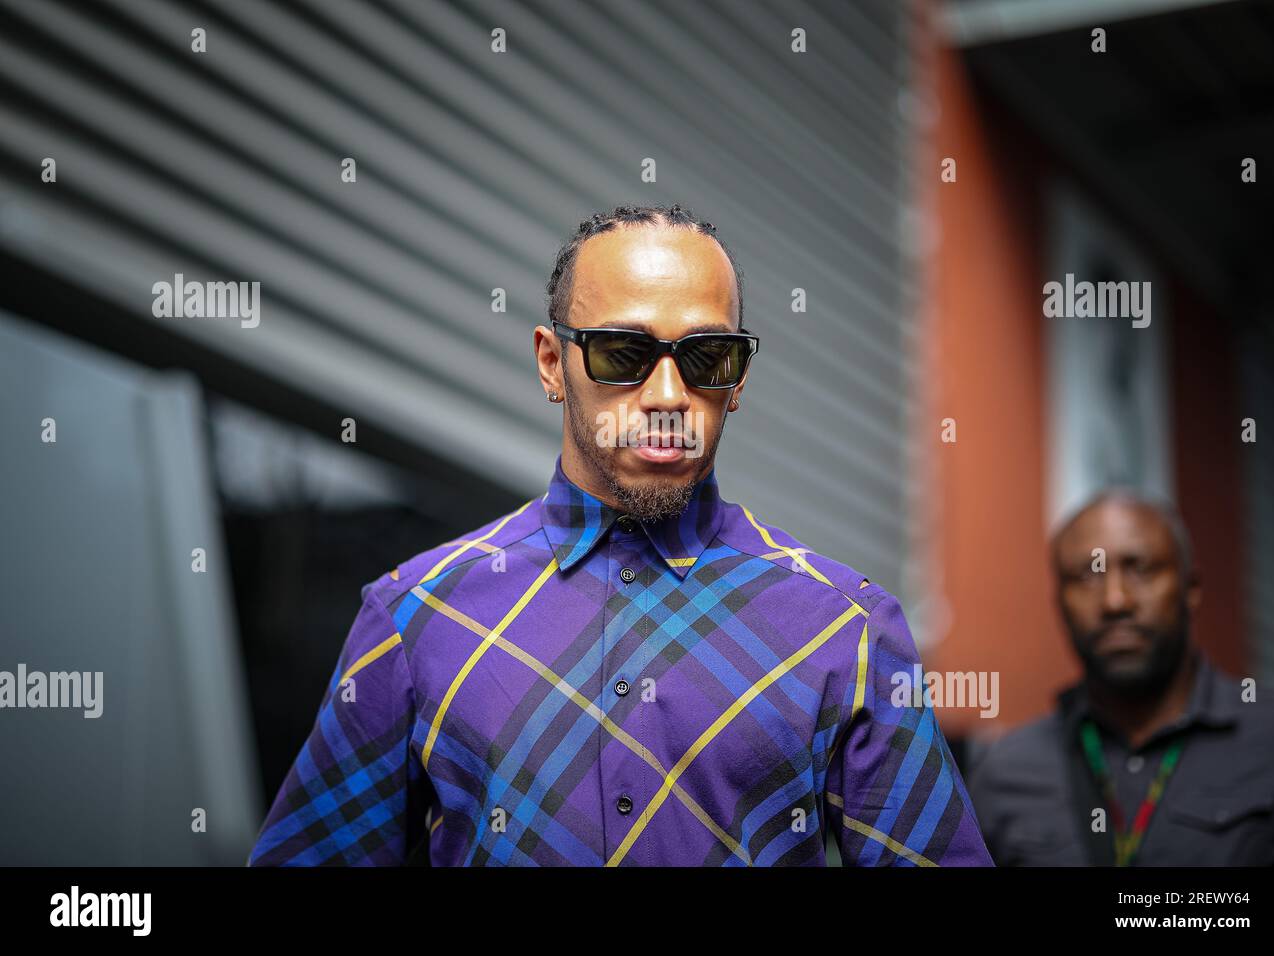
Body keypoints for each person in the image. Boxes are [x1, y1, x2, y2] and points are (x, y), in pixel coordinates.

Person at [248, 203, 991, 866]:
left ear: (738, 380)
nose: (668, 394)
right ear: (551, 362)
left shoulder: (847, 630)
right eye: (623, 354)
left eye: (706, 358)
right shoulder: (416, 618)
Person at [967, 490, 1274, 865]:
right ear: (1059, 602)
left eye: (1140, 569)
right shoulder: (1004, 773)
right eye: (1087, 576)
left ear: (1191, 589)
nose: (1115, 601)